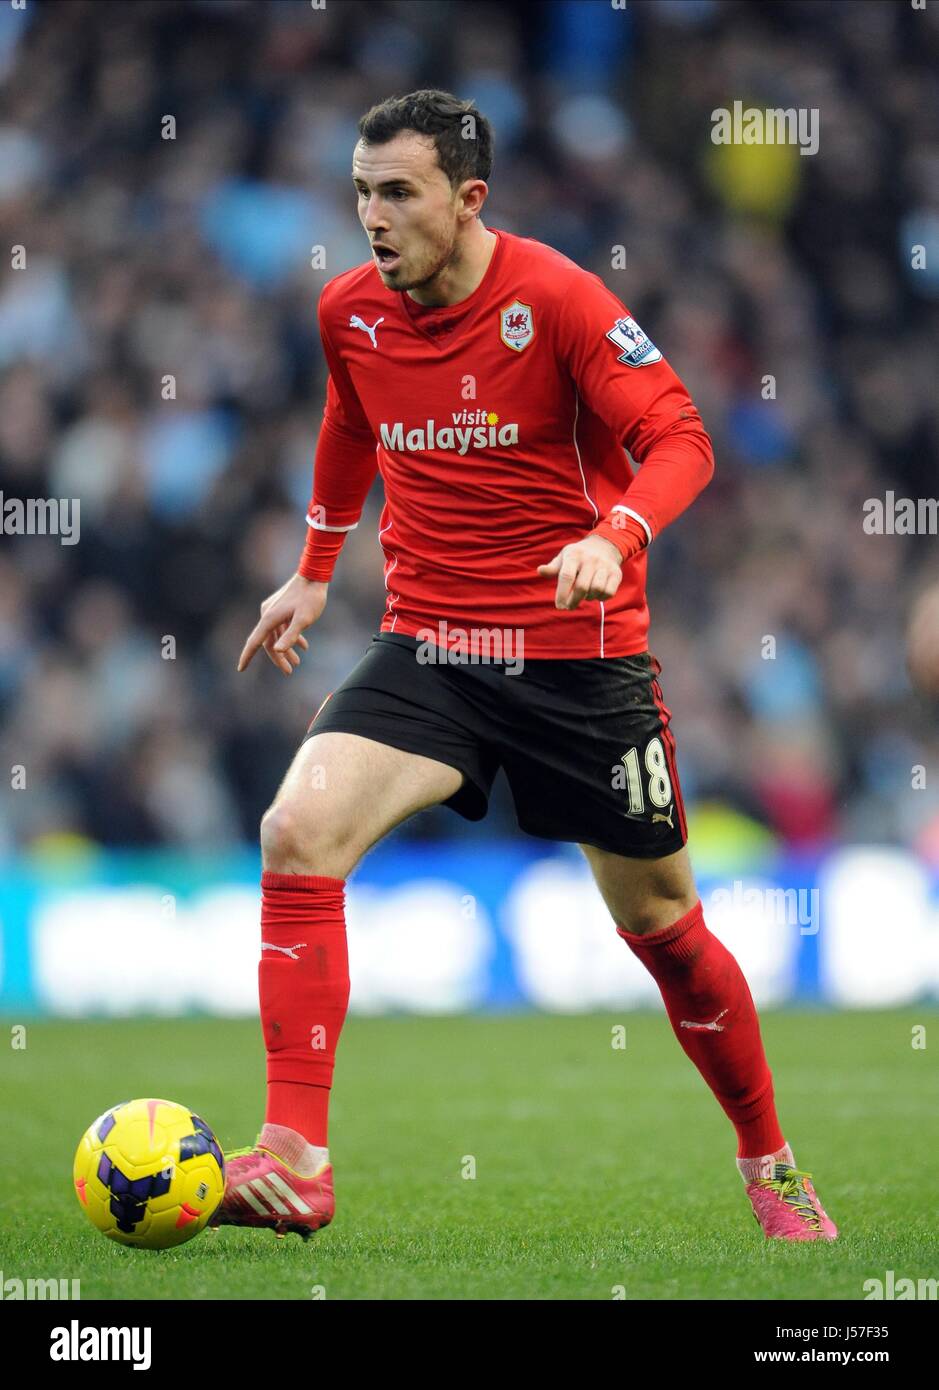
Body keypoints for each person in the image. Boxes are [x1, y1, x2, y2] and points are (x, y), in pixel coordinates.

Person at [213, 89, 836, 1243]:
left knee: (665, 930)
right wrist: (312, 568)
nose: (372, 217)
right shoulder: (349, 312)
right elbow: (353, 420)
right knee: (296, 832)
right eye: (360, 191)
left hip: (577, 664)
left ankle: (773, 1162)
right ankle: (297, 1160)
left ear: (469, 198)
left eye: (398, 192)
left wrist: (617, 536)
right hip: (431, 649)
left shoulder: (557, 300)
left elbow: (683, 437)